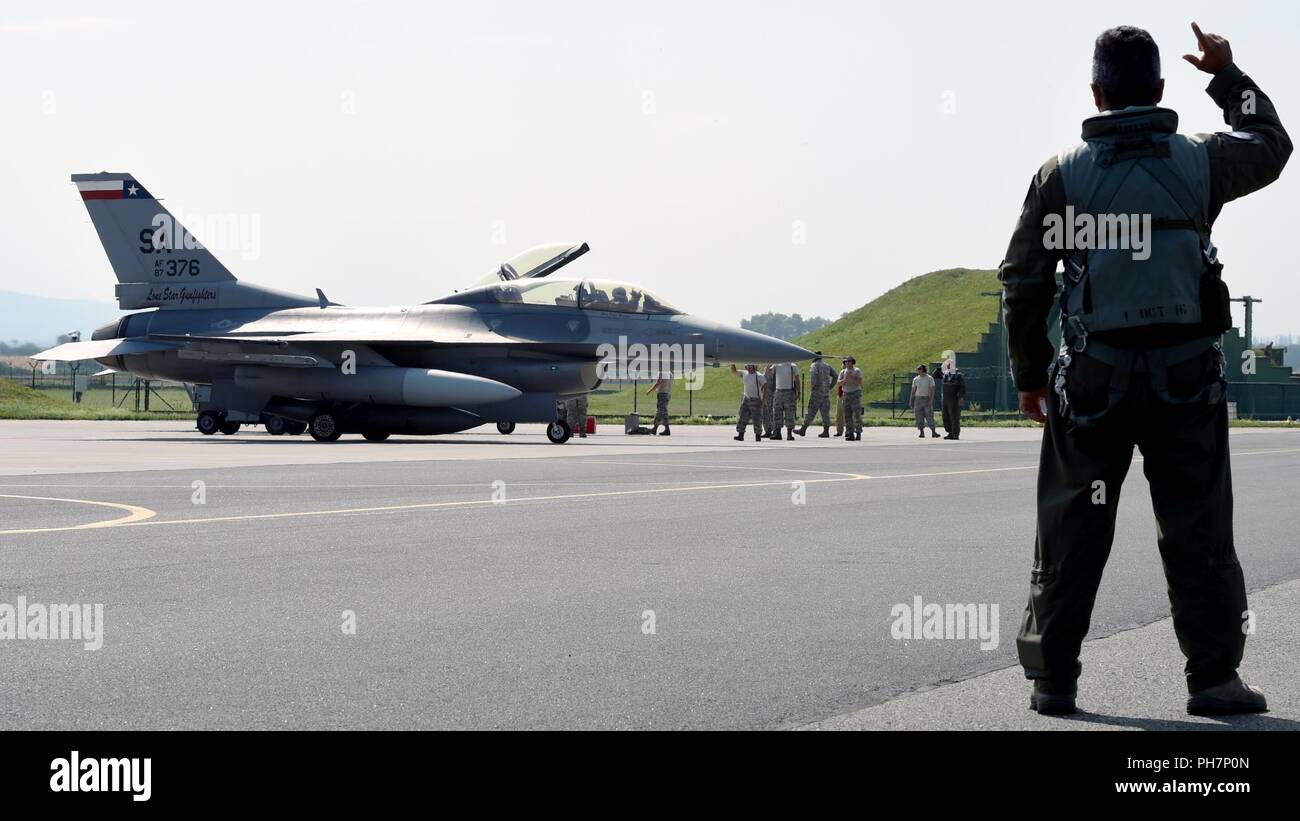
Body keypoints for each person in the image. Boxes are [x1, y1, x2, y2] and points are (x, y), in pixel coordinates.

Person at [999, 23, 1290, 716]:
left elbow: (1023, 279)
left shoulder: (1060, 175)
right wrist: (1227, 74)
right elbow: (1273, 147)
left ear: (1096, 93)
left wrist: (1030, 375)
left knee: (1072, 527)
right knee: (1197, 528)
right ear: (1161, 89)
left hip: (1093, 379)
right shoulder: (1203, 161)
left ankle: (1054, 677)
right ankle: (1214, 679)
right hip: (1187, 379)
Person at [797, 352, 836, 438]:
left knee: (811, 411)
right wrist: (830, 386)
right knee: (825, 413)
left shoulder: (814, 365)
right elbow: (835, 376)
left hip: (816, 392)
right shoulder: (827, 366)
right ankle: (826, 431)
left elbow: (814, 375)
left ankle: (803, 429)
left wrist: (813, 386)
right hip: (825, 393)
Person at [730, 364, 766, 442]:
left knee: (757, 419)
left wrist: (763, 399)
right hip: (746, 399)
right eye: (747, 366)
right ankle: (740, 435)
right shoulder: (744, 373)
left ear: (754, 366)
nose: (748, 367)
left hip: (755, 399)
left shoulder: (759, 376)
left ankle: (758, 435)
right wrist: (732, 363)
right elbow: (734, 371)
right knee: (742, 417)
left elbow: (765, 386)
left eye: (750, 366)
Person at [770, 361, 801, 440]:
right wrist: (769, 362)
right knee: (777, 413)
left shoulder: (792, 366)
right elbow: (768, 372)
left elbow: (797, 379)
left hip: (789, 391)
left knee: (790, 414)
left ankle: (789, 434)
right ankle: (778, 433)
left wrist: (798, 392)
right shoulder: (776, 364)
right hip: (778, 391)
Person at [908, 364, 939, 438]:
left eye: (919, 369)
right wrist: (911, 401)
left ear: (923, 370)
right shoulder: (916, 379)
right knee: (918, 416)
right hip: (918, 399)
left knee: (929, 415)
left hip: (926, 398)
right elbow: (913, 391)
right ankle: (921, 432)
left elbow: (932, 389)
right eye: (917, 369)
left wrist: (931, 400)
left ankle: (933, 432)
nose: (918, 370)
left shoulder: (929, 378)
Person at [838, 356, 864, 440]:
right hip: (846, 394)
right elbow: (839, 383)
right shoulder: (842, 372)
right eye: (846, 361)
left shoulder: (856, 371)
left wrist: (851, 378)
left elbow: (859, 382)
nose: (847, 363)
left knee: (857, 414)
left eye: (849, 361)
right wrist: (845, 379)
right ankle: (850, 433)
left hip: (855, 394)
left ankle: (858, 432)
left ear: (853, 362)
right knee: (847, 415)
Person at [941, 362, 966, 440]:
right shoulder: (945, 375)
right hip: (945, 398)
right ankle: (950, 433)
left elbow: (962, 387)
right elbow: (935, 375)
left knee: (954, 417)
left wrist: (961, 397)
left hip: (954, 398)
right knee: (945, 416)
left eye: (948, 365)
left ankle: (955, 434)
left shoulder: (958, 375)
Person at [645, 370, 673, 435]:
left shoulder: (662, 372)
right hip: (668, 394)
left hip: (662, 394)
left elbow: (658, 383)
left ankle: (655, 428)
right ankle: (665, 429)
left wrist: (649, 391)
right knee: (663, 412)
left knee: (660, 412)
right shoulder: (669, 372)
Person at [762, 364, 778, 439]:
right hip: (765, 397)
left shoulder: (774, 374)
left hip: (771, 396)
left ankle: (774, 431)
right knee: (765, 415)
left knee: (772, 414)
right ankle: (767, 431)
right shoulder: (764, 373)